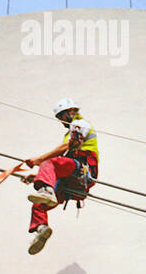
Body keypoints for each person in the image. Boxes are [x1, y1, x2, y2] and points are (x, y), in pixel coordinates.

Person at [21, 98, 99, 255]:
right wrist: (37, 176)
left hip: (82, 169)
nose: (61, 121)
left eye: (62, 117)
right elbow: (60, 164)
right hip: (69, 180)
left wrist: (39, 160)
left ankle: (47, 191)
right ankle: (41, 229)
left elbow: (67, 147)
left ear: (71, 111)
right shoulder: (70, 130)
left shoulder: (81, 124)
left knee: (49, 163)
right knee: (38, 205)